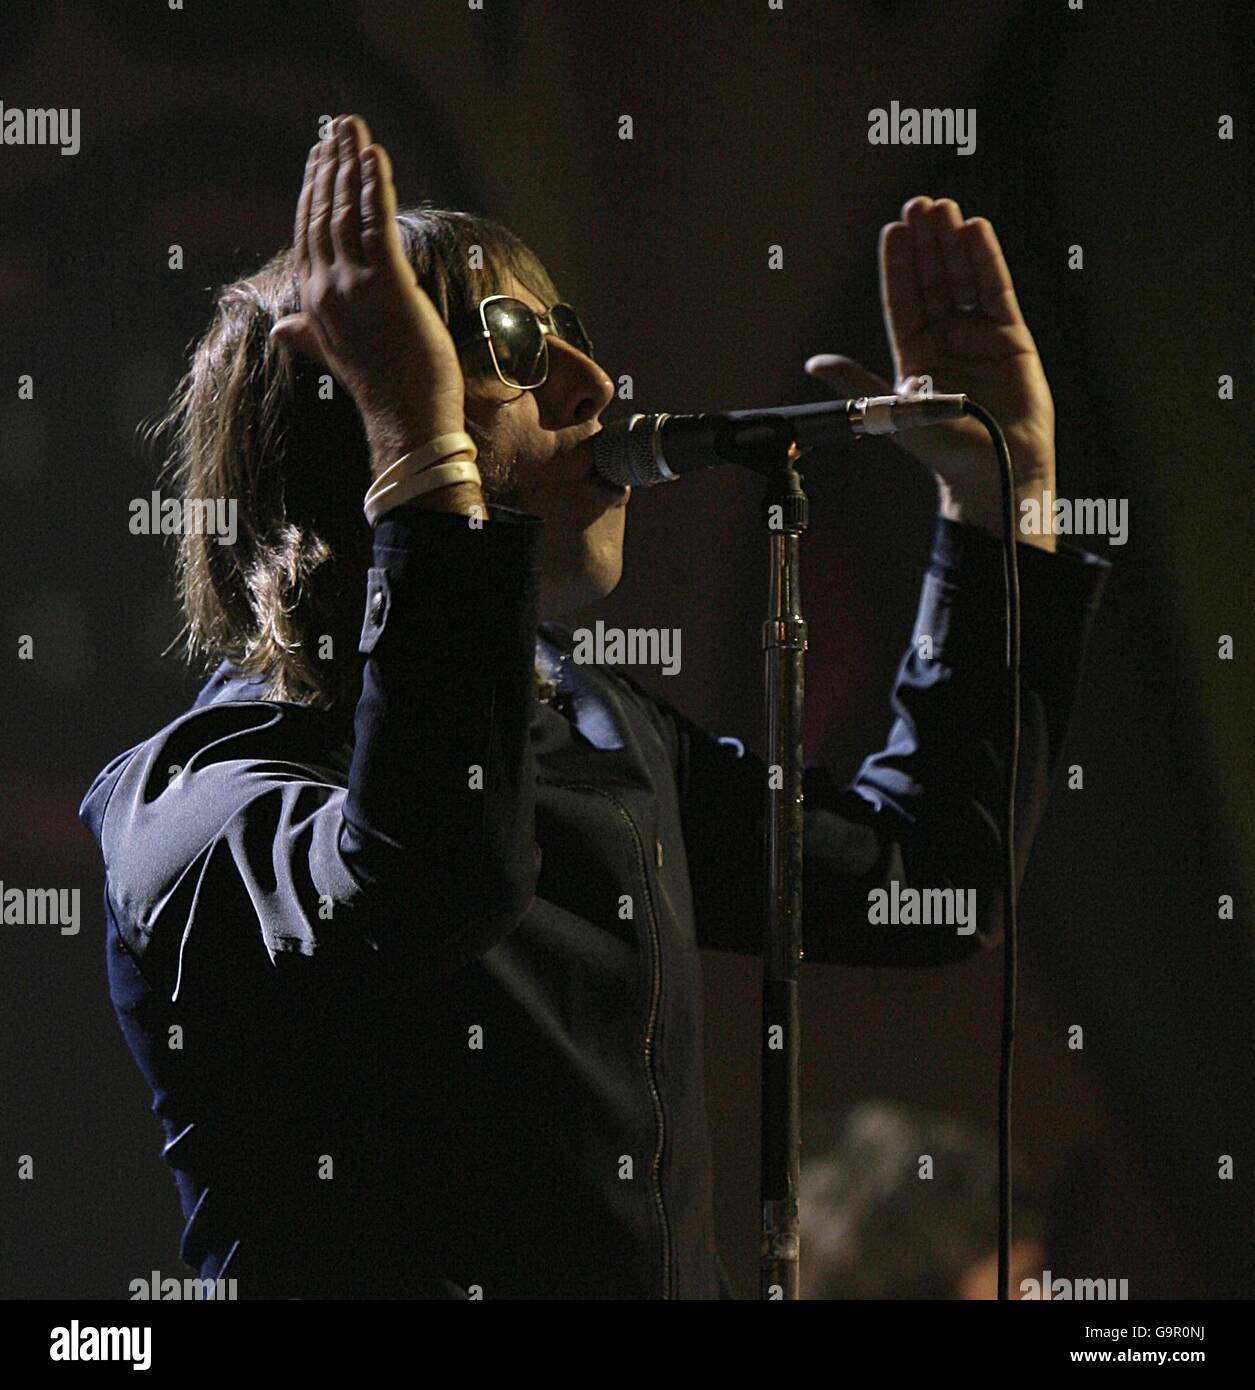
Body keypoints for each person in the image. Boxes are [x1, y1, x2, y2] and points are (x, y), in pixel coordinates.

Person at [79, 113, 1109, 1299]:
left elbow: (934, 877)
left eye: (573, 333)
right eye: (515, 342)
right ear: (357, 411)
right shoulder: (200, 801)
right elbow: (433, 880)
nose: (594, 383)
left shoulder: (596, 731)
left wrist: (1002, 496)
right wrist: (421, 456)